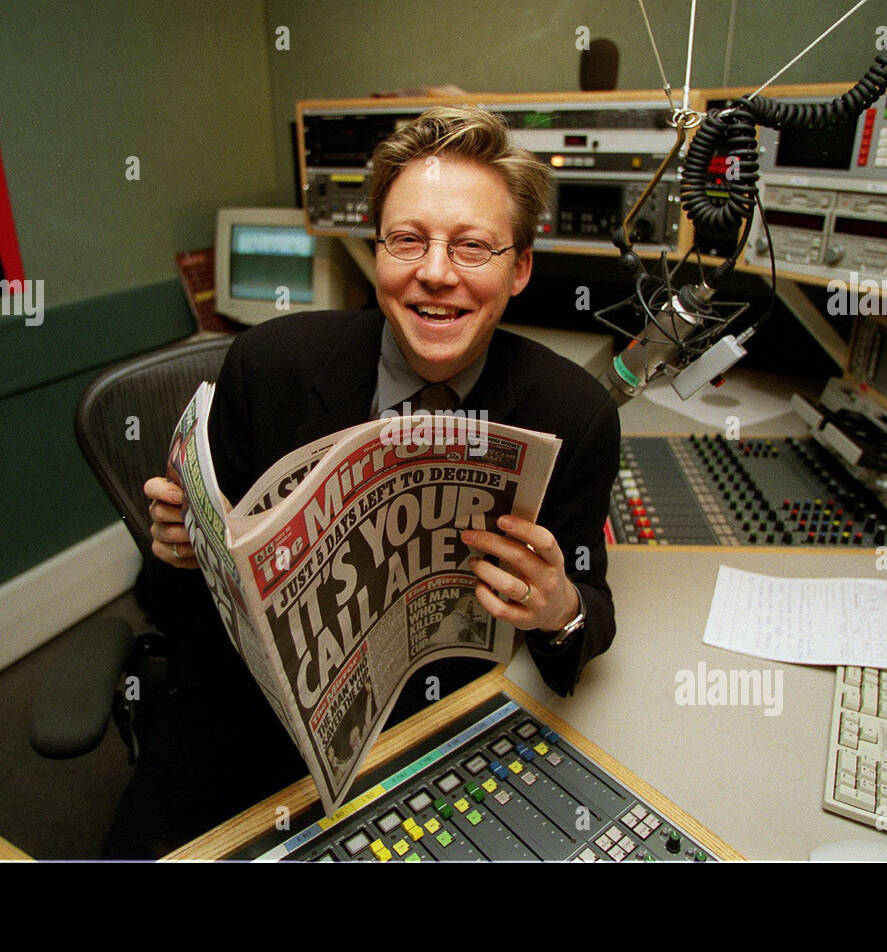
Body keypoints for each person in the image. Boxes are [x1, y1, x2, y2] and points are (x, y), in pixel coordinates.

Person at [116, 106, 620, 857]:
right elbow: (170, 608)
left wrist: (558, 607)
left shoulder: (573, 414)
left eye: (473, 246)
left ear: (519, 268)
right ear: (378, 249)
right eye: (408, 239)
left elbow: (590, 612)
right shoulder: (268, 362)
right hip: (243, 718)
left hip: (431, 732)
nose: (436, 272)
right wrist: (178, 552)